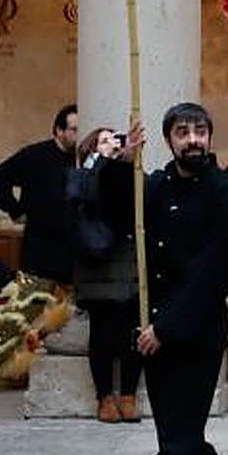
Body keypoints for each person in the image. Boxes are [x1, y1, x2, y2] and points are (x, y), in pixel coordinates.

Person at [104, 104, 228, 455]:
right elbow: (109, 212)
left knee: (178, 440)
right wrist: (118, 164)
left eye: (200, 131)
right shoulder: (154, 186)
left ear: (210, 138)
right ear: (169, 138)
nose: (193, 140)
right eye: (183, 132)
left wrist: (165, 328)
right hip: (152, 329)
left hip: (194, 330)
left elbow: (216, 273)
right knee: (180, 438)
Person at [67, 127, 141, 424]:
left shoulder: (123, 171)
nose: (112, 143)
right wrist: (106, 162)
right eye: (104, 140)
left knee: (131, 332)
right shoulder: (82, 173)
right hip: (96, 262)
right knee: (102, 334)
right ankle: (104, 397)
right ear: (90, 148)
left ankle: (128, 395)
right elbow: (85, 196)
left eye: (115, 138)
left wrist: (124, 163)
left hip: (125, 259)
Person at [0, 104, 81, 288]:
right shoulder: (35, 156)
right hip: (39, 250)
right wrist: (15, 210)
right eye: (74, 130)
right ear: (59, 130)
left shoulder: (81, 158)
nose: (78, 134)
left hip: (71, 253)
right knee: (34, 305)